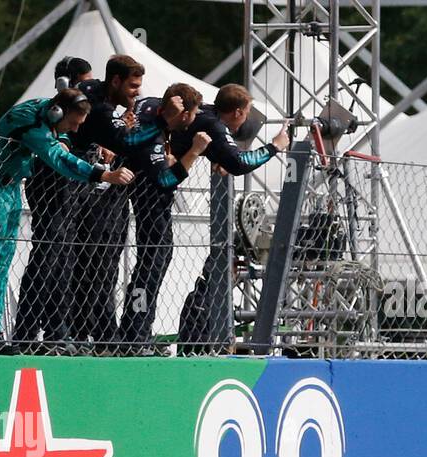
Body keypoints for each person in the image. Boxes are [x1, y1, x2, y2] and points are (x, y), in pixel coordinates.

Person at [0, 88, 134, 344]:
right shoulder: (34, 124)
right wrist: (103, 174)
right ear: (59, 112)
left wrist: (64, 136)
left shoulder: (48, 111)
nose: (76, 130)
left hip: (10, 185)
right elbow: (60, 160)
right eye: (73, 123)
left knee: (2, 260)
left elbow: (61, 137)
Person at [69, 56, 191, 344]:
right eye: (133, 85)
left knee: (95, 264)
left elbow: (118, 138)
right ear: (115, 81)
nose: (136, 91)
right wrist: (192, 152)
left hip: (89, 189)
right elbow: (135, 151)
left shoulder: (95, 96)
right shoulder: (101, 105)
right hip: (82, 190)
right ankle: (84, 334)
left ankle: (95, 333)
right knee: (90, 264)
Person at [177, 82, 291, 348]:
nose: (247, 118)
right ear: (238, 111)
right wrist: (275, 147)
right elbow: (240, 164)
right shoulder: (216, 126)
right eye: (248, 112)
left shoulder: (206, 115)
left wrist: (214, 156)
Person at [119, 84, 212, 349]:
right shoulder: (154, 135)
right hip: (149, 202)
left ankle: (136, 331)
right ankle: (136, 334)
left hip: (141, 198)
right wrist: (193, 152)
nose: (194, 120)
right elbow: (165, 180)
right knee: (150, 266)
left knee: (151, 265)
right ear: (182, 114)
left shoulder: (149, 109)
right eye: (193, 114)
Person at [15, 56, 91, 348]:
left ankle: (57, 330)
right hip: (49, 189)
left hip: (67, 193)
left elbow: (65, 144)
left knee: (64, 261)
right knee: (46, 260)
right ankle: (26, 332)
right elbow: (56, 153)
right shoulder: (42, 119)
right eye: (83, 82)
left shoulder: (62, 121)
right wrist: (100, 174)